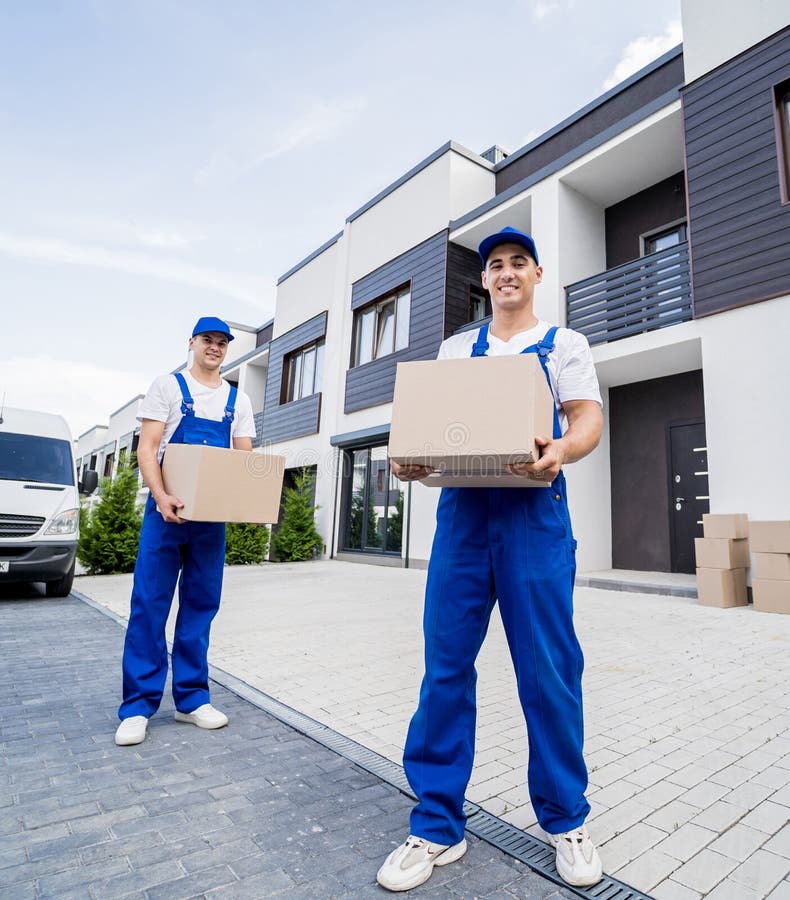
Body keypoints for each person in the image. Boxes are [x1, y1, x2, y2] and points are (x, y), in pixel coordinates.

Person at [377, 227, 604, 892]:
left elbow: (587, 419)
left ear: (536, 274)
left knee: (549, 671)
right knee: (445, 668)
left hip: (535, 513)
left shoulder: (565, 346)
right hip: (464, 518)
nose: (506, 274)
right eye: (495, 266)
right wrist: (409, 460)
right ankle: (436, 826)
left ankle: (567, 822)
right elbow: (428, 427)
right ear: (485, 282)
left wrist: (561, 449)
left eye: (517, 264)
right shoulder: (455, 350)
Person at [114, 316, 256, 747]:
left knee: (200, 607)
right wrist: (161, 496)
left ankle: (192, 700)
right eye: (207, 340)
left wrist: (238, 502)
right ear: (192, 342)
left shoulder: (238, 399)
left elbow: (242, 463)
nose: (214, 347)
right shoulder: (168, 387)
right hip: (166, 513)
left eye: (222, 342)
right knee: (149, 607)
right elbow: (148, 448)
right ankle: (137, 706)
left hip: (210, 520)